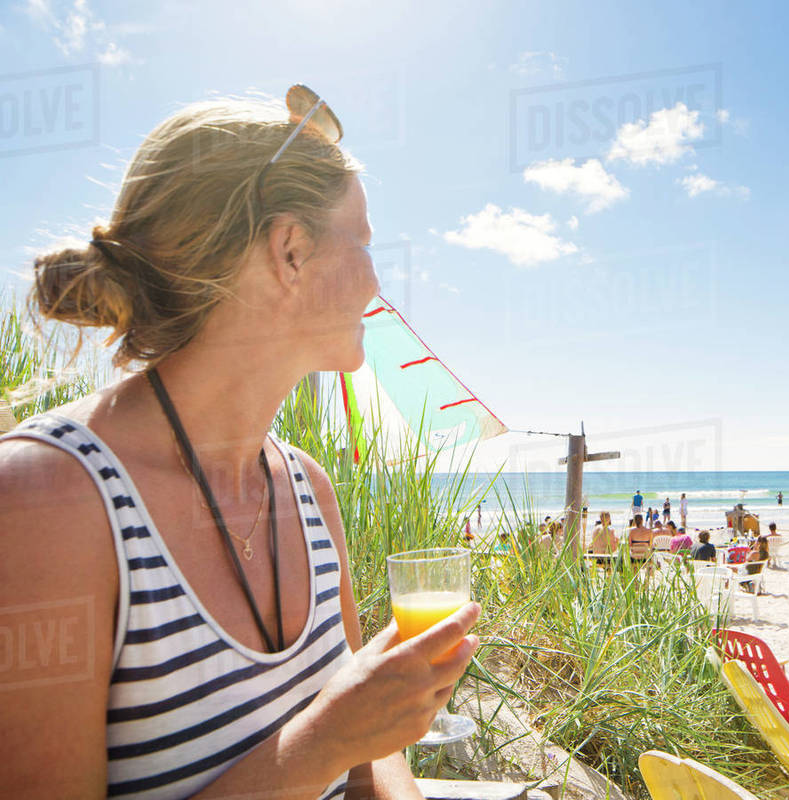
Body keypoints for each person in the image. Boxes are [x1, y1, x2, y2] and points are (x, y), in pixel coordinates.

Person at [0, 89, 479, 797]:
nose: (379, 281)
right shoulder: (49, 500)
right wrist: (326, 738)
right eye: (366, 242)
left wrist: (363, 729)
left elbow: (372, 764)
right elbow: (340, 739)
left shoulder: (307, 491)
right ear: (290, 251)